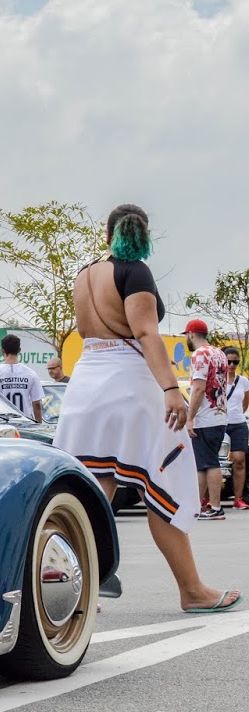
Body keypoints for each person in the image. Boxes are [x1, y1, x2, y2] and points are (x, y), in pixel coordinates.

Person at [54, 204, 238, 612]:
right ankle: (192, 590)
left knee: (92, 487)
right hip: (129, 383)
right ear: (142, 234)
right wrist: (171, 388)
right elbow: (144, 332)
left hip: (85, 385)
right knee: (163, 486)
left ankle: (75, 588)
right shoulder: (135, 271)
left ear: (106, 235)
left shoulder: (85, 274)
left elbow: (86, 332)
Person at [183, 319, 230, 520]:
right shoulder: (219, 353)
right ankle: (199, 506)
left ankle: (215, 506)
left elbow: (199, 388)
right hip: (220, 414)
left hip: (205, 416)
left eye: (186, 335)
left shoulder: (199, 355)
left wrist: (190, 418)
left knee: (209, 463)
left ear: (192, 334)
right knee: (204, 463)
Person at [0, 334, 44, 422]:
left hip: (3, 423)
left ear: (2, 350)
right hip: (25, 424)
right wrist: (39, 424)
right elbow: (36, 404)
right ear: (19, 350)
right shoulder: (30, 374)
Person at [224, 347, 248, 510]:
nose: (232, 365)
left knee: (239, 460)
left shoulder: (244, 381)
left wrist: (237, 414)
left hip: (238, 423)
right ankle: (206, 500)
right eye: (229, 361)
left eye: (235, 362)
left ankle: (238, 499)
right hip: (219, 424)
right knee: (213, 462)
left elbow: (245, 402)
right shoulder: (217, 379)